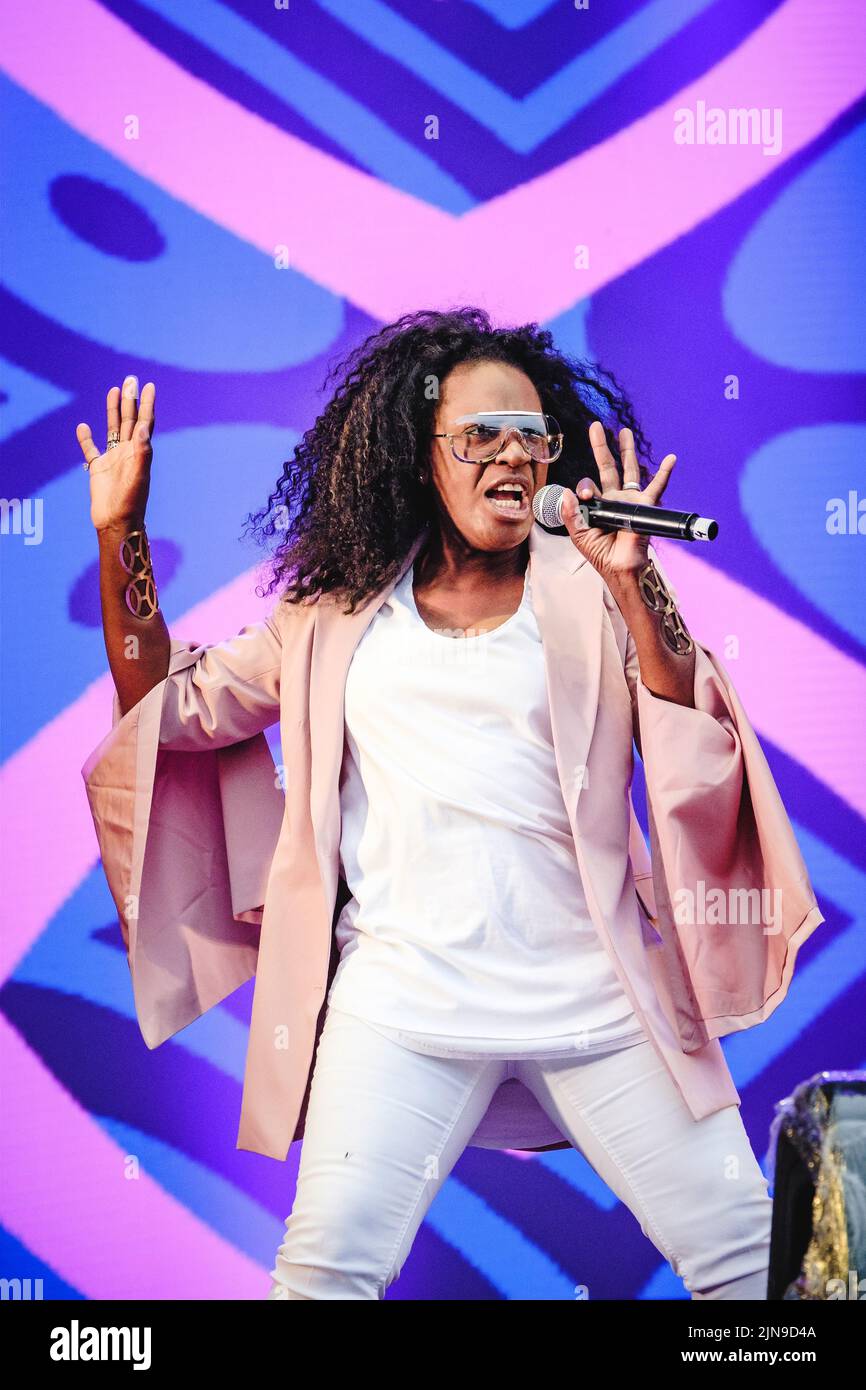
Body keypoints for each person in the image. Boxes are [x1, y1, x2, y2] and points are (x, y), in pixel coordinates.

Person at [78, 307, 823, 1301]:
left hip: (600, 1005)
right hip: (398, 1009)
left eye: (530, 435)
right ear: (418, 454)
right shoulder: (330, 615)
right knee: (320, 1276)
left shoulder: (594, 583)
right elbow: (164, 708)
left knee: (752, 1267)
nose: (511, 455)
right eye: (480, 434)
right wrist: (118, 530)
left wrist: (637, 584)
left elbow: (687, 709)